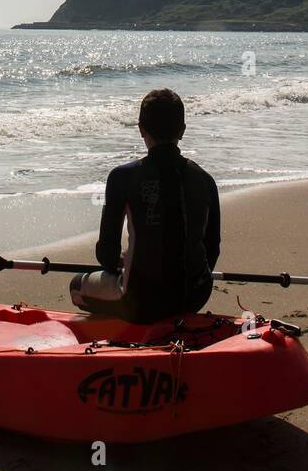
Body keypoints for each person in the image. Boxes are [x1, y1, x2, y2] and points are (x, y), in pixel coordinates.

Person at [70, 88, 221, 322]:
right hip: (195, 295)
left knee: (76, 286)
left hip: (141, 299)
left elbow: (106, 254)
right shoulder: (205, 179)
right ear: (182, 129)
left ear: (141, 130)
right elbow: (212, 249)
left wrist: (124, 262)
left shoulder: (122, 177)